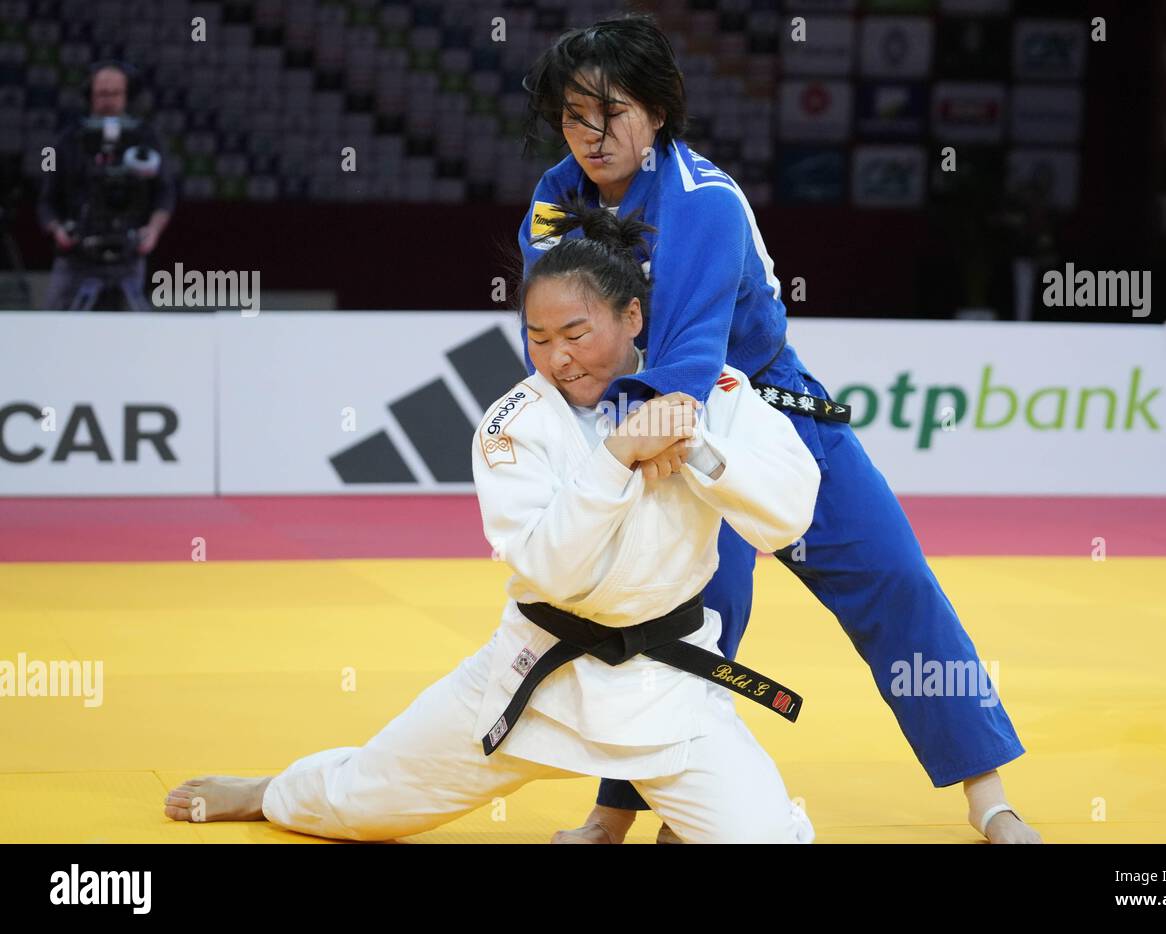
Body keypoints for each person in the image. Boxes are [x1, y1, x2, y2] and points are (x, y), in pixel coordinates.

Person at [519, 14, 1040, 844]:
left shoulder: (704, 202)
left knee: (895, 582)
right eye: (574, 115)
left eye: (611, 112)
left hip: (766, 413)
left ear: (656, 110)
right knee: (681, 616)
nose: (591, 134)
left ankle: (989, 795)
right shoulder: (556, 198)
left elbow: (690, 360)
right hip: (655, 439)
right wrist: (587, 440)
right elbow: (548, 333)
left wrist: (623, 432)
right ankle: (625, 811)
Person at [162, 203, 820, 844]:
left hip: (667, 687)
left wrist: (695, 442)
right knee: (361, 809)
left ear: (633, 316)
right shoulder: (515, 425)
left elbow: (789, 516)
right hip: (533, 677)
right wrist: (619, 456)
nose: (557, 358)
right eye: (538, 338)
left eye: (576, 333)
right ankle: (273, 790)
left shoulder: (714, 394)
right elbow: (553, 568)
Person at [38, 61, 175, 311]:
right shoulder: (68, 139)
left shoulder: (146, 137)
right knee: (55, 326)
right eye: (101, 93)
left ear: (127, 95)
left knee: (135, 333)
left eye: (115, 93)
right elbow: (47, 200)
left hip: (129, 254)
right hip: (76, 256)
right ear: (90, 95)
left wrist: (153, 231)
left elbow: (165, 192)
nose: (108, 100)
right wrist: (57, 230)